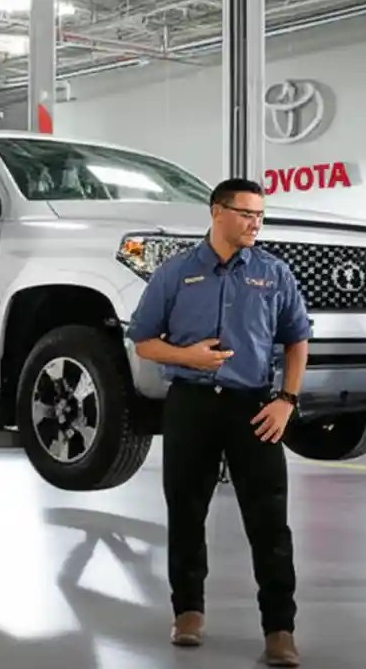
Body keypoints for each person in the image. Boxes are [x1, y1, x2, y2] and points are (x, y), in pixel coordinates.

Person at [125, 178, 311, 667]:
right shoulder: (175, 273)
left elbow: (297, 340)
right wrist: (185, 356)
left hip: (254, 407)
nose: (255, 223)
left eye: (259, 215)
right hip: (192, 404)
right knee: (186, 512)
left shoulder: (274, 274)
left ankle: (279, 630)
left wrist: (287, 400)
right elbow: (142, 339)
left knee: (269, 521)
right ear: (217, 213)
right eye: (246, 213)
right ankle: (187, 612)